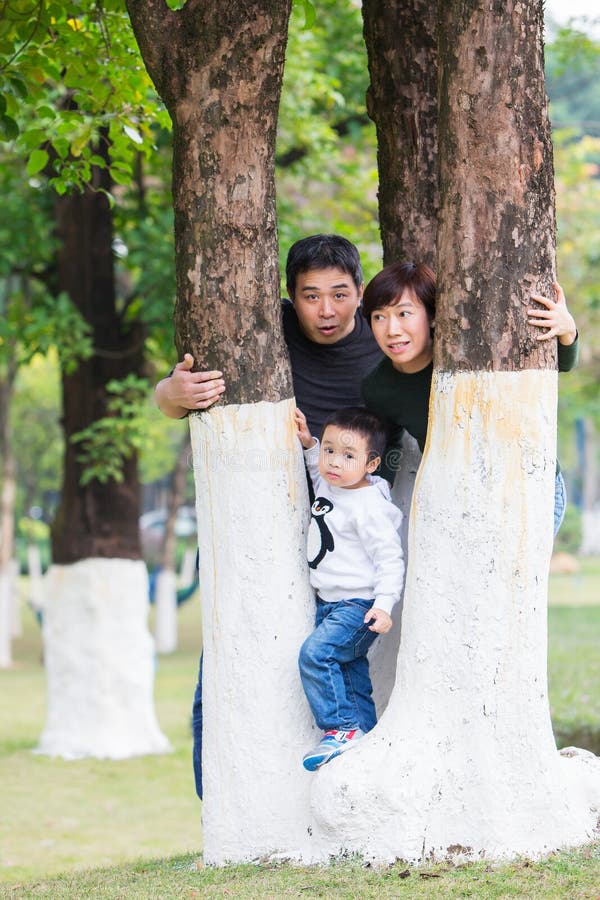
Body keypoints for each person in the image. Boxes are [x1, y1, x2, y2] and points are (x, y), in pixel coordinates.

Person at [155, 235, 383, 798]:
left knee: (340, 666)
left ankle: (360, 794)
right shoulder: (261, 327)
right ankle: (222, 811)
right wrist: (171, 391)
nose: (325, 311)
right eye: (310, 296)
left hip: (350, 546)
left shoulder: (385, 339)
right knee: (227, 667)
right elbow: (167, 397)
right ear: (290, 297)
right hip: (259, 530)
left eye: (339, 294)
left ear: (359, 292)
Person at [360, 262, 579, 534]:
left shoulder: (468, 351)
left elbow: (561, 365)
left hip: (527, 484)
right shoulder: (377, 387)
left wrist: (568, 331)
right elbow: (390, 439)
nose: (391, 329)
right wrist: (379, 491)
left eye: (404, 313)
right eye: (379, 317)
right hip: (461, 496)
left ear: (431, 315)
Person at [295, 406, 405, 771]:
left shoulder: (369, 508)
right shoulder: (331, 482)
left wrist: (384, 605)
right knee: (350, 667)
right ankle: (364, 735)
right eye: (330, 450)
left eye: (347, 455)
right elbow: (316, 470)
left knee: (317, 655)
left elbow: (390, 559)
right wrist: (310, 443)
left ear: (371, 464)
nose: (334, 462)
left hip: (358, 605)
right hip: (329, 603)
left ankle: (341, 728)